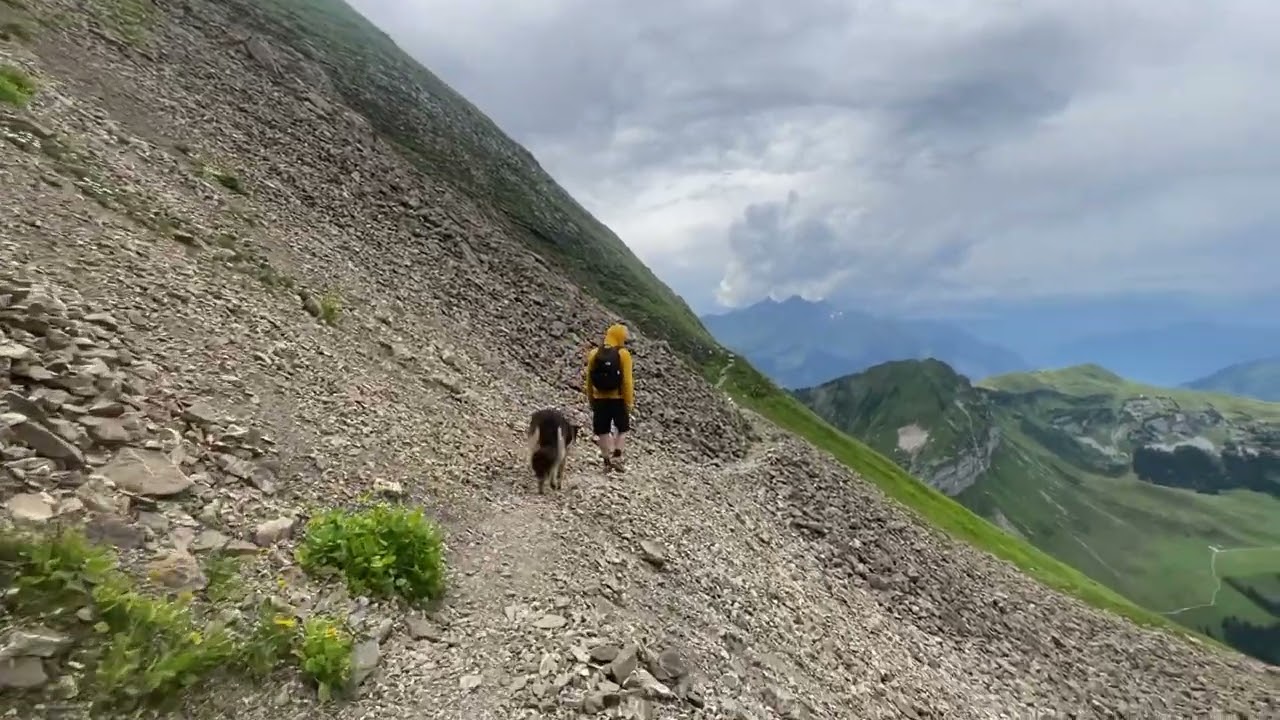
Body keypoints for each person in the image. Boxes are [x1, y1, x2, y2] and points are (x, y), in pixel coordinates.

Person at [583, 322, 634, 473]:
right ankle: (617, 457)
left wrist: (591, 397)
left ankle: (606, 462)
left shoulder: (594, 353)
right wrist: (629, 401)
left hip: (599, 398)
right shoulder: (623, 354)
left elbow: (589, 379)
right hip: (617, 398)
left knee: (602, 430)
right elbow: (627, 381)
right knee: (623, 428)